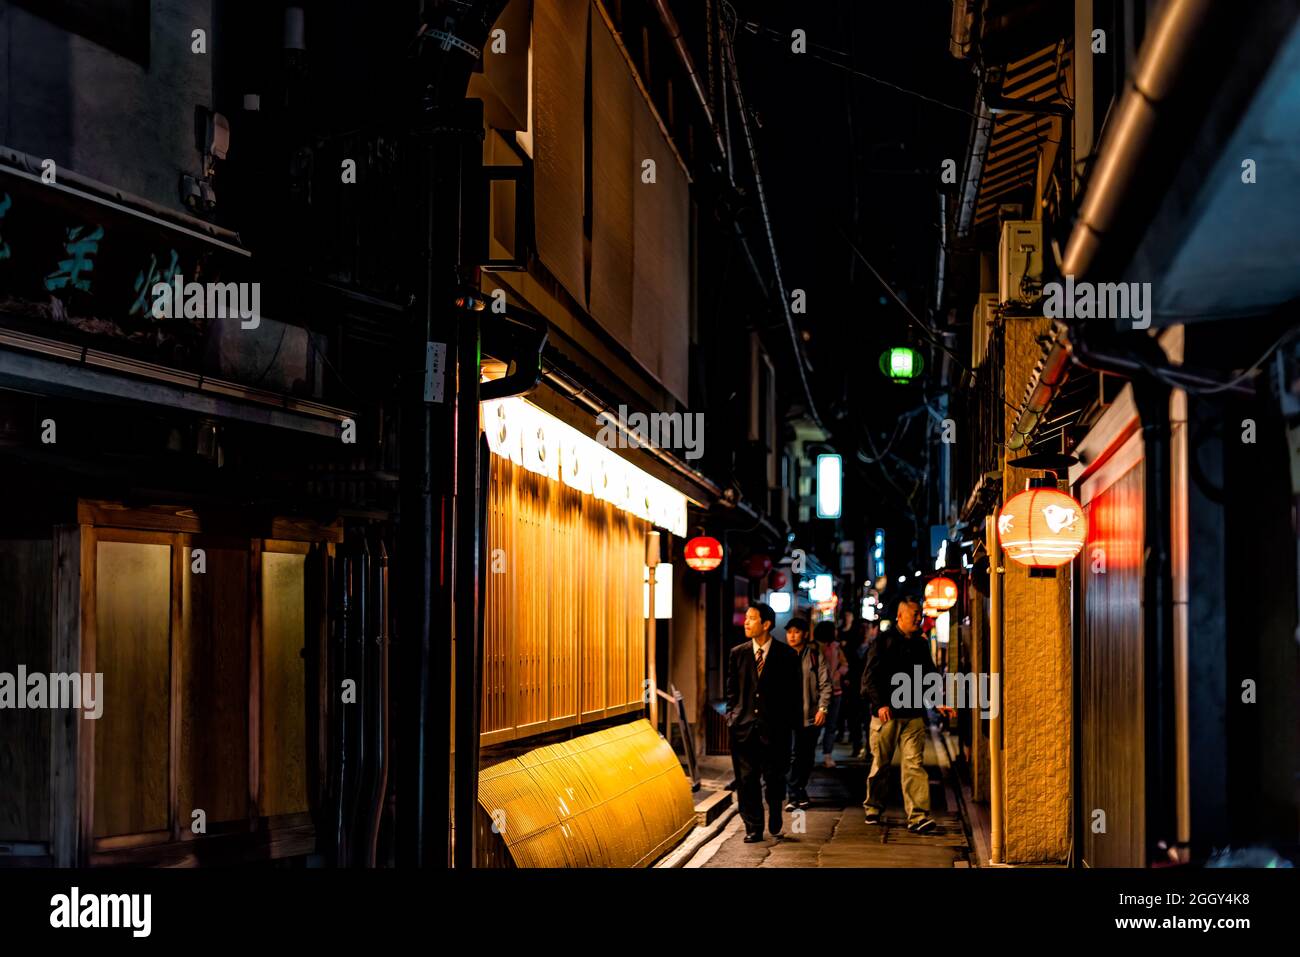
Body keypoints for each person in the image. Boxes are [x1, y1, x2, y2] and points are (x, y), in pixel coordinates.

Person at [860, 596, 955, 833]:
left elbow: (929, 676)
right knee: (880, 764)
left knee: (914, 764)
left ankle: (918, 816)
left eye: (920, 615)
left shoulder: (921, 644)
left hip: (913, 714)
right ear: (900, 616)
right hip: (886, 715)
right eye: (915, 615)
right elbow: (869, 677)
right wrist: (880, 703)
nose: (918, 619)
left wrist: (937, 702)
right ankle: (873, 806)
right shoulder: (883, 642)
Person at [726, 602, 802, 842]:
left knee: (774, 777)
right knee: (747, 780)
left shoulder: (786, 655)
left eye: (751, 618)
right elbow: (732, 691)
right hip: (744, 728)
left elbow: (794, 695)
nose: (746, 622)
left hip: (776, 730)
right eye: (746, 618)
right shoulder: (738, 653)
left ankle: (776, 810)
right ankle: (753, 826)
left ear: (766, 624)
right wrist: (732, 717)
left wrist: (792, 727)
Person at [783, 617, 830, 810]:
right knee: (792, 756)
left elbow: (825, 684)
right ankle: (794, 795)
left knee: (807, 756)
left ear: (804, 634)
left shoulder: (814, 656)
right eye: (789, 632)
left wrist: (823, 708)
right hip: (787, 716)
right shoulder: (781, 656)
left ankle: (799, 789)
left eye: (796, 632)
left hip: (809, 715)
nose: (792, 636)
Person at [814, 621, 846, 768]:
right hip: (818, 692)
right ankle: (810, 753)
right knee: (816, 725)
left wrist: (838, 673)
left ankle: (827, 754)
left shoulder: (836, 647)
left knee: (831, 725)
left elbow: (845, 664)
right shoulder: (813, 647)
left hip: (835, 690)